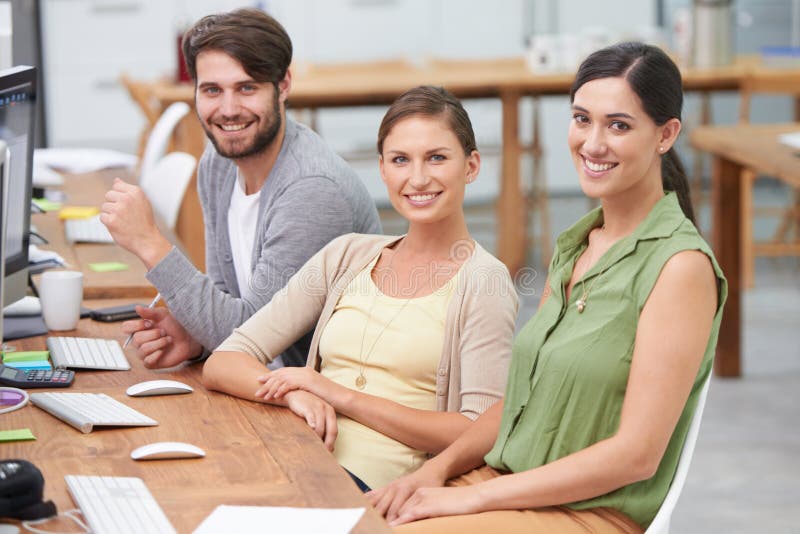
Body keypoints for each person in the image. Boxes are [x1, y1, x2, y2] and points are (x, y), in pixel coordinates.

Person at [369, 42, 728, 533]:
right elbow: (521, 400)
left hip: (585, 513)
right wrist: (436, 470)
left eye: (618, 126)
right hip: (504, 485)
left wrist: (473, 499)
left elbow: (636, 455)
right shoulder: (576, 246)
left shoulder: (680, 267)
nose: (593, 143)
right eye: (582, 119)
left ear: (665, 135)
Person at [202, 86, 519, 492]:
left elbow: (477, 431)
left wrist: (335, 394)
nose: (418, 178)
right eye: (400, 160)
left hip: (368, 488)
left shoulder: (485, 282)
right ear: (383, 169)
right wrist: (295, 396)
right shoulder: (346, 255)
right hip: (290, 458)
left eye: (437, 158)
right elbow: (225, 361)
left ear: (471, 166)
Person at [99, 8, 381, 369]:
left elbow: (251, 339)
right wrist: (197, 339)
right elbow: (232, 306)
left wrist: (150, 243)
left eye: (246, 88)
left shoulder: (312, 190)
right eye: (212, 90)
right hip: (261, 380)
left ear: (283, 86)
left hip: (325, 392)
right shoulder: (219, 165)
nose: (228, 110)